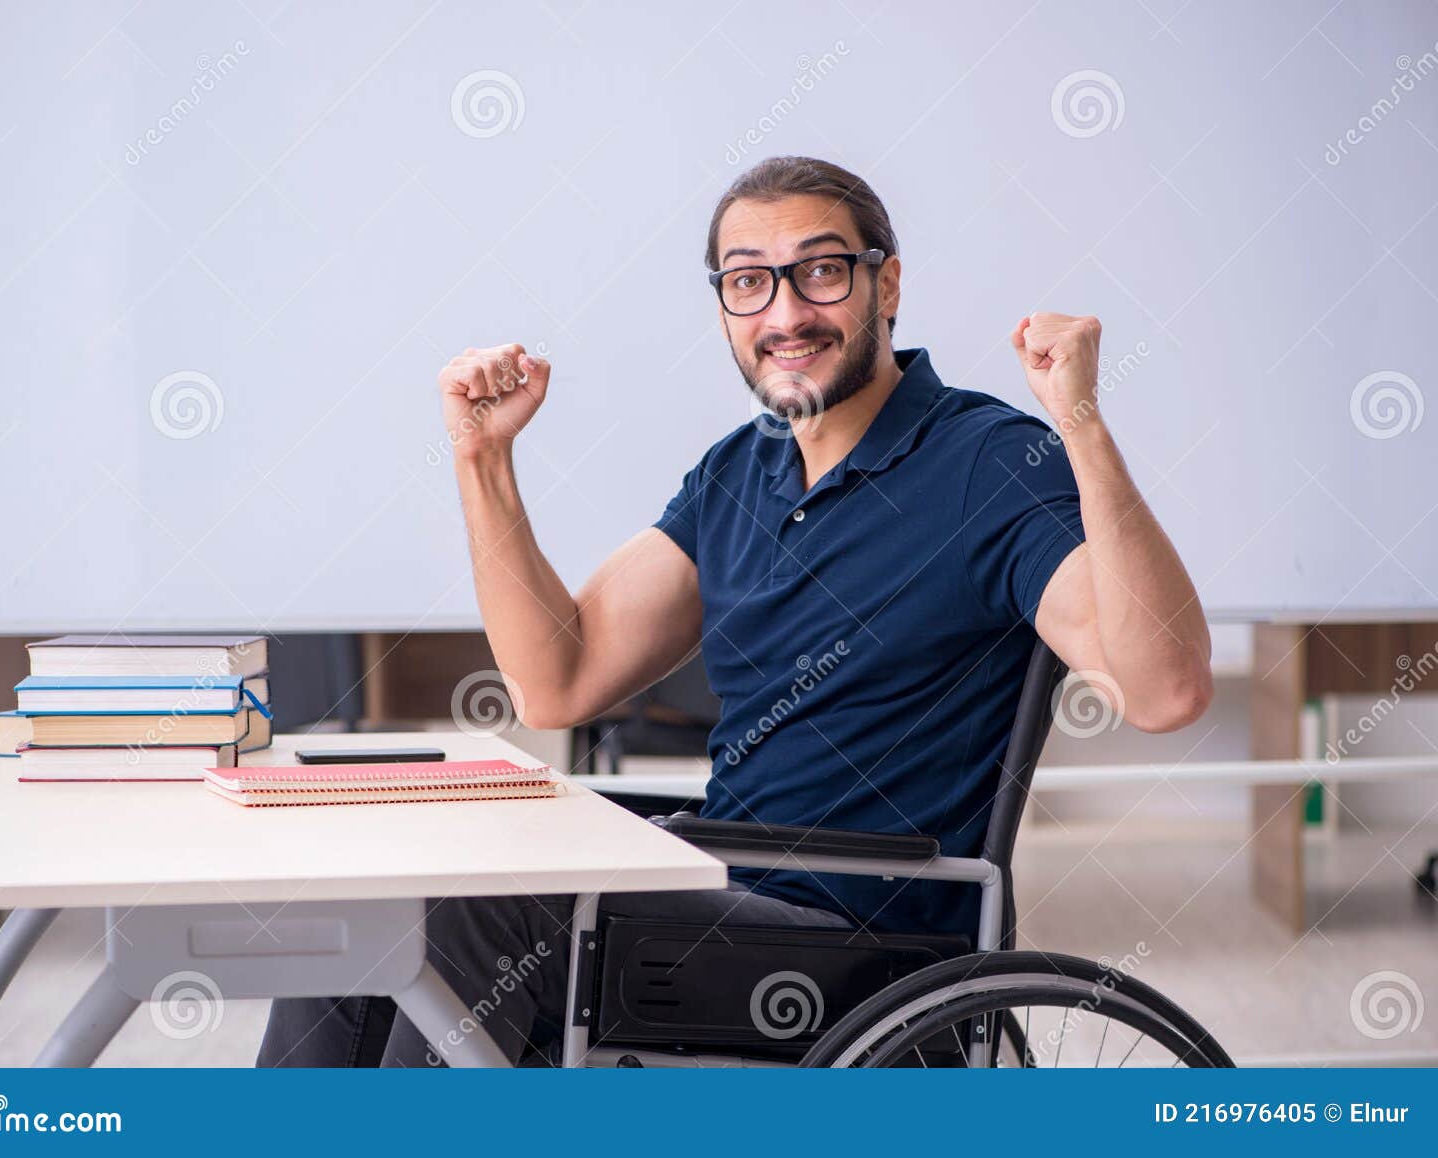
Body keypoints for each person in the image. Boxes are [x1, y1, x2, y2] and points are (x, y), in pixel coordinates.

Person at [257, 155, 1213, 1067]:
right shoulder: (738, 472)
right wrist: (482, 458)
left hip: (861, 950)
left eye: (822, 272)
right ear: (724, 306)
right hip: (714, 891)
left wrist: (1082, 424)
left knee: (475, 911)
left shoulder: (989, 462)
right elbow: (558, 679)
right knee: (375, 901)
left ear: (886, 285)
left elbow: (1166, 689)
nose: (786, 314)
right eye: (750, 282)